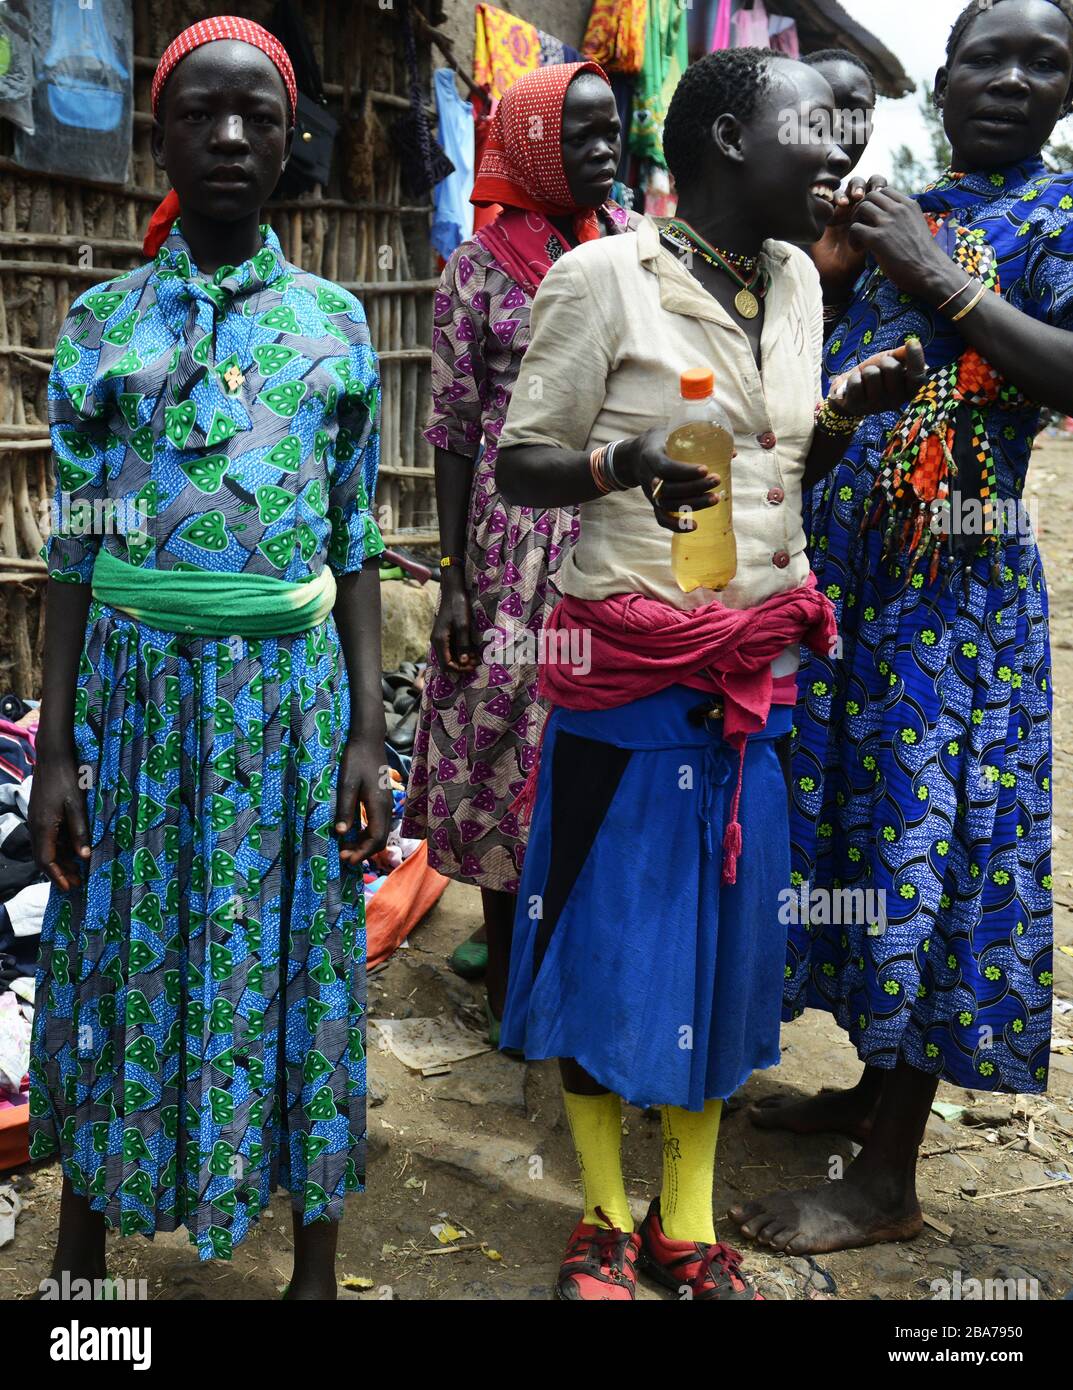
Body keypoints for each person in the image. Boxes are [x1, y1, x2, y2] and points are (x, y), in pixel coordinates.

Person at [494, 48, 925, 1300]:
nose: (839, 150)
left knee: (717, 962)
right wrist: (620, 464)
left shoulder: (796, 278)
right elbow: (524, 462)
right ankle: (603, 1221)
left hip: (753, 672)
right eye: (812, 124)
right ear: (729, 138)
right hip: (627, 675)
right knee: (600, 953)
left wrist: (842, 414)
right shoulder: (598, 279)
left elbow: (767, 454)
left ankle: (685, 1222)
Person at [27, 17, 389, 1297]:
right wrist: (56, 745)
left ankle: (313, 1270)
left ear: (293, 141)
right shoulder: (103, 324)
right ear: (160, 136)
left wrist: (365, 726)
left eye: (258, 117)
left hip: (286, 711)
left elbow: (354, 542)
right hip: (134, 704)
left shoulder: (336, 325)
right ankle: (82, 1269)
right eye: (200, 115)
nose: (230, 136)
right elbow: (75, 549)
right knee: (112, 943)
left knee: (301, 957)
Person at [733, 0, 1073, 1256]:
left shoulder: (1054, 220)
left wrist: (929, 270)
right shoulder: (893, 200)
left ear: (1066, 90)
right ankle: (867, 1089)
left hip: (955, 604)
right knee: (848, 846)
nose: (1010, 78)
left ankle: (886, 1177)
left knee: (924, 866)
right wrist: (837, 266)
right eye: (987, 55)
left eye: (1041, 62)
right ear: (940, 77)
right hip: (850, 588)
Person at [401, 62, 630, 1040]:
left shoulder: (633, 251)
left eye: (611, 131)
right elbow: (453, 429)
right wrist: (453, 580)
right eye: (577, 135)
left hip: (611, 525)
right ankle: (508, 974)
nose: (601, 150)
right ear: (534, 147)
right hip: (508, 547)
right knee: (500, 754)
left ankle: (578, 969)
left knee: (595, 753)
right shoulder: (481, 269)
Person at [800, 49, 882, 333]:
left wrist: (833, 288)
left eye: (857, 113)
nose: (838, 124)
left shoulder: (859, 232)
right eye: (820, 107)